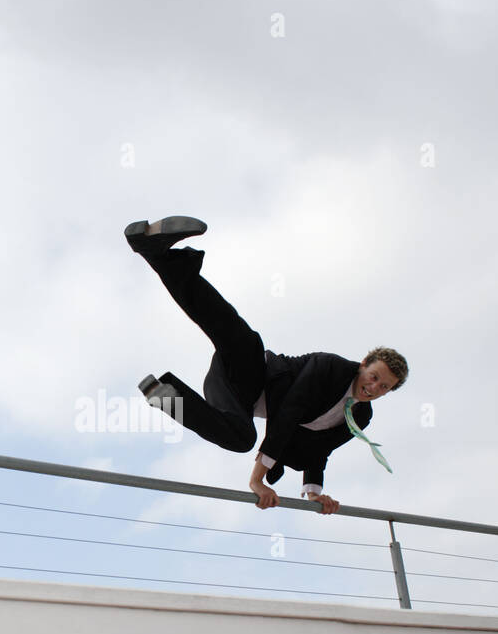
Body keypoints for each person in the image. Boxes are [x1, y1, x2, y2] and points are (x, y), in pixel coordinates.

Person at [126, 215, 408, 514]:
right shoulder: (332, 369)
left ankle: (168, 398)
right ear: (364, 364)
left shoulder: (361, 416)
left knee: (241, 438)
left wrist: (314, 495)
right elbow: (289, 412)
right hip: (252, 371)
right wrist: (257, 481)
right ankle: (158, 252)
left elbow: (319, 451)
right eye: (374, 376)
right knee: (238, 336)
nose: (374, 387)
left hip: (236, 400)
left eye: (385, 387)